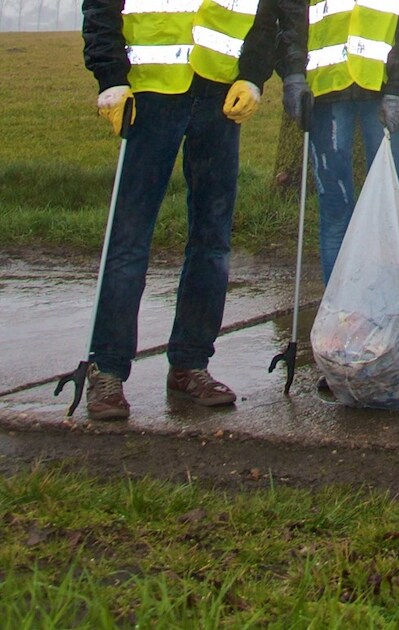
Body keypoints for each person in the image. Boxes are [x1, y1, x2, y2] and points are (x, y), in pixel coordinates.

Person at [81, 0, 294, 419]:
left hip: (218, 95)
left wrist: (252, 76)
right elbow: (101, 7)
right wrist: (110, 77)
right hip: (150, 92)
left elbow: (267, 13)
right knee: (128, 236)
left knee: (212, 240)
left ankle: (190, 364)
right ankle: (106, 370)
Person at [279, 0, 399, 285]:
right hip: (327, 86)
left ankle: (380, 309)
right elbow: (290, 14)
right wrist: (292, 72)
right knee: (334, 209)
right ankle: (338, 314)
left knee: (386, 208)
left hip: (386, 86)